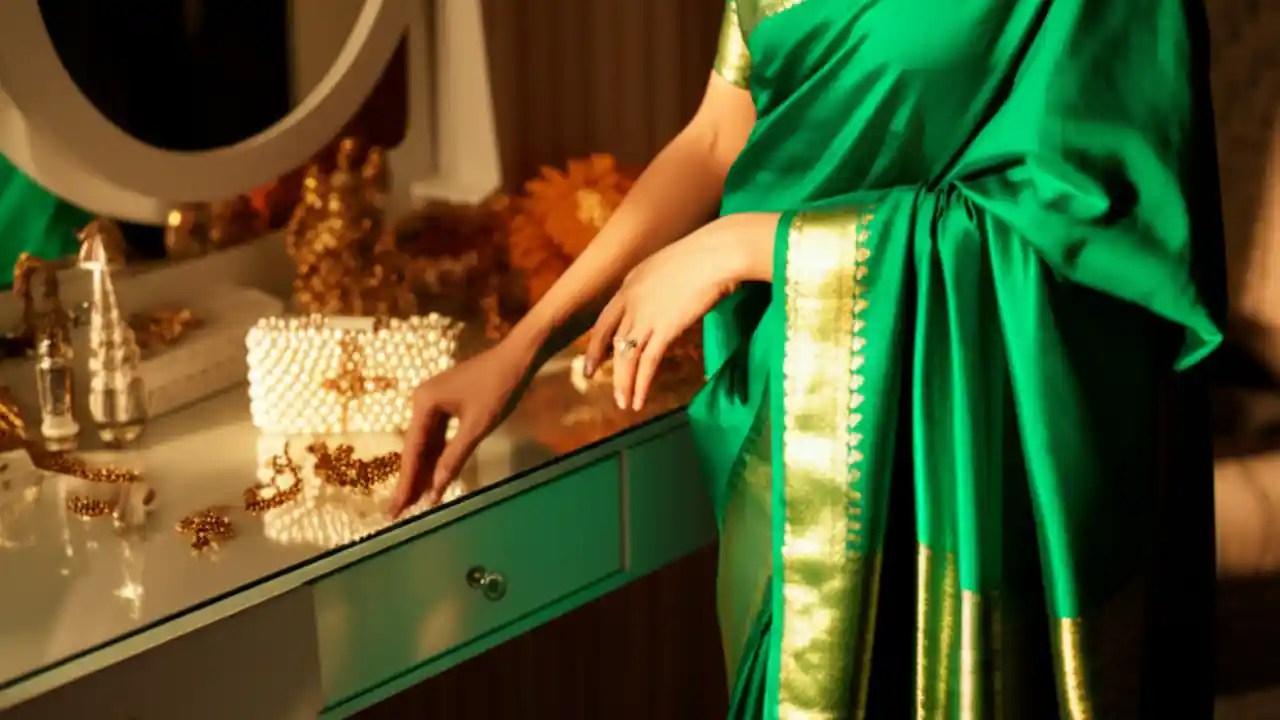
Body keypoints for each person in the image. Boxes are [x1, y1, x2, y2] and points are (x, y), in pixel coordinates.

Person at [392, 1, 1225, 716]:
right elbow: (717, 138)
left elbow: (1091, 233)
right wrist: (521, 345)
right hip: (794, 415)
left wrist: (752, 244)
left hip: (980, 430)